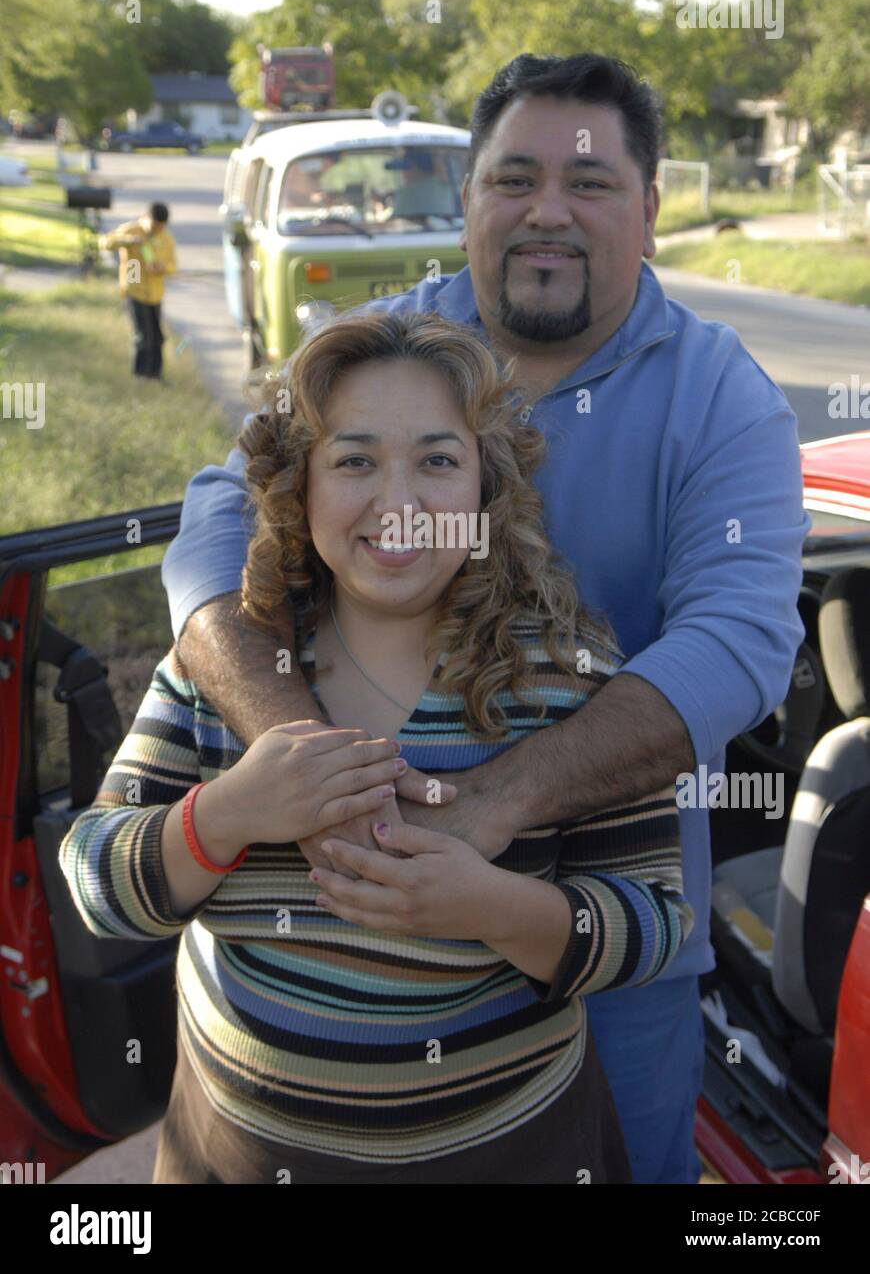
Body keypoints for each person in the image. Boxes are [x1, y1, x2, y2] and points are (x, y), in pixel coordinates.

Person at [158, 53, 810, 1183]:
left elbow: (740, 643)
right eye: (514, 177)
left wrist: (493, 809)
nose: (548, 209)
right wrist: (292, 752)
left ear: (651, 209)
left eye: (592, 182)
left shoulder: (722, 395)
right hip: (320, 949)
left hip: (607, 941)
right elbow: (217, 525)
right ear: (467, 200)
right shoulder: (372, 346)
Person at [59, 310, 694, 1184]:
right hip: (239, 1155)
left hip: (512, 1155)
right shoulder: (224, 670)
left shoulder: (567, 677)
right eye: (354, 460)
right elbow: (96, 882)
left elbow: (654, 923)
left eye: (438, 460)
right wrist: (232, 810)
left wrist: (490, 909)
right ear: (298, 487)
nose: (398, 505)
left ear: (486, 488)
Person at [100, 201, 177, 379]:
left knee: (158, 337)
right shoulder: (132, 230)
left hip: (155, 293)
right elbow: (105, 242)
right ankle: (140, 374)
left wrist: (163, 267)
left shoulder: (166, 238)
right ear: (146, 217)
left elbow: (174, 266)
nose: (157, 230)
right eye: (154, 226)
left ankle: (155, 374)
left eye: (160, 227)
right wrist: (128, 241)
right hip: (134, 289)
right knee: (143, 336)